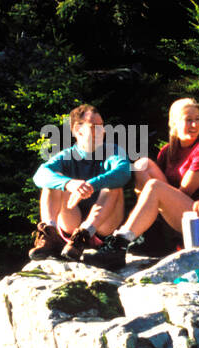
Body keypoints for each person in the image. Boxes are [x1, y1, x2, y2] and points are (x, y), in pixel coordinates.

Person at [83, 97, 199, 268]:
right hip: (176, 214)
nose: (194, 125)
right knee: (142, 164)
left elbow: (185, 193)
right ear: (175, 123)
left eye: (197, 119)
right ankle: (149, 231)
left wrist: (155, 199)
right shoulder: (168, 151)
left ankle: (119, 244)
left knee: (154, 187)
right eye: (188, 120)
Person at [29, 104, 131, 260]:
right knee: (52, 180)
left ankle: (85, 233)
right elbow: (40, 175)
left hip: (104, 226)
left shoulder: (113, 150)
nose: (101, 131)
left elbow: (124, 173)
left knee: (114, 185)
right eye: (94, 127)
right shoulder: (67, 155)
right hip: (72, 225)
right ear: (78, 130)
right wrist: (70, 183)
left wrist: (90, 185)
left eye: (102, 126)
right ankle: (49, 235)